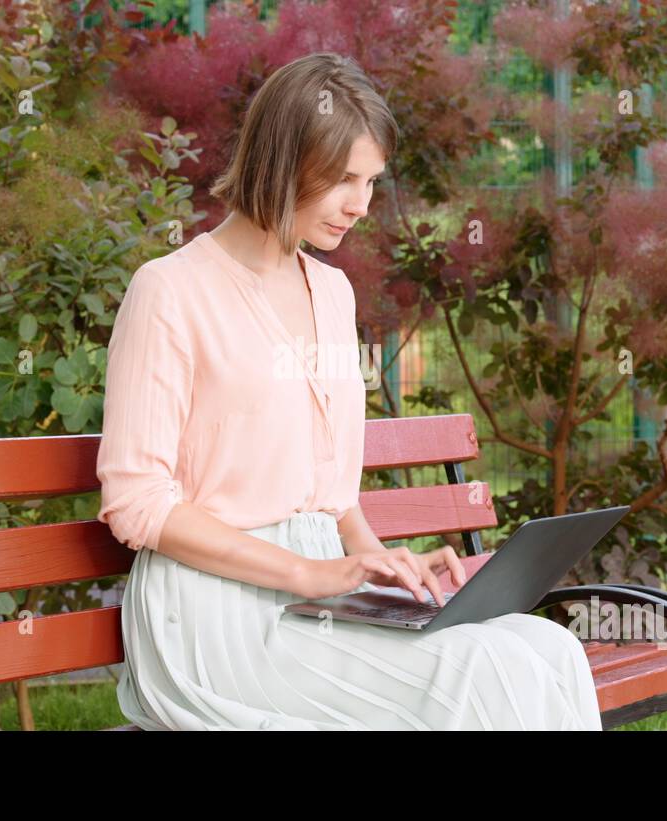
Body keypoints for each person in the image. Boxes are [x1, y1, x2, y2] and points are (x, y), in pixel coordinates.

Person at [97, 52, 603, 730]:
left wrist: (384, 563)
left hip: (323, 600)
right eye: (342, 179)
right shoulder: (169, 292)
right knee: (484, 673)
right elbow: (136, 504)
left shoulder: (332, 292)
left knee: (550, 646)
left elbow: (331, 500)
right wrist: (306, 573)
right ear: (282, 162)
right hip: (217, 620)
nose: (361, 205)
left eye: (371, 181)